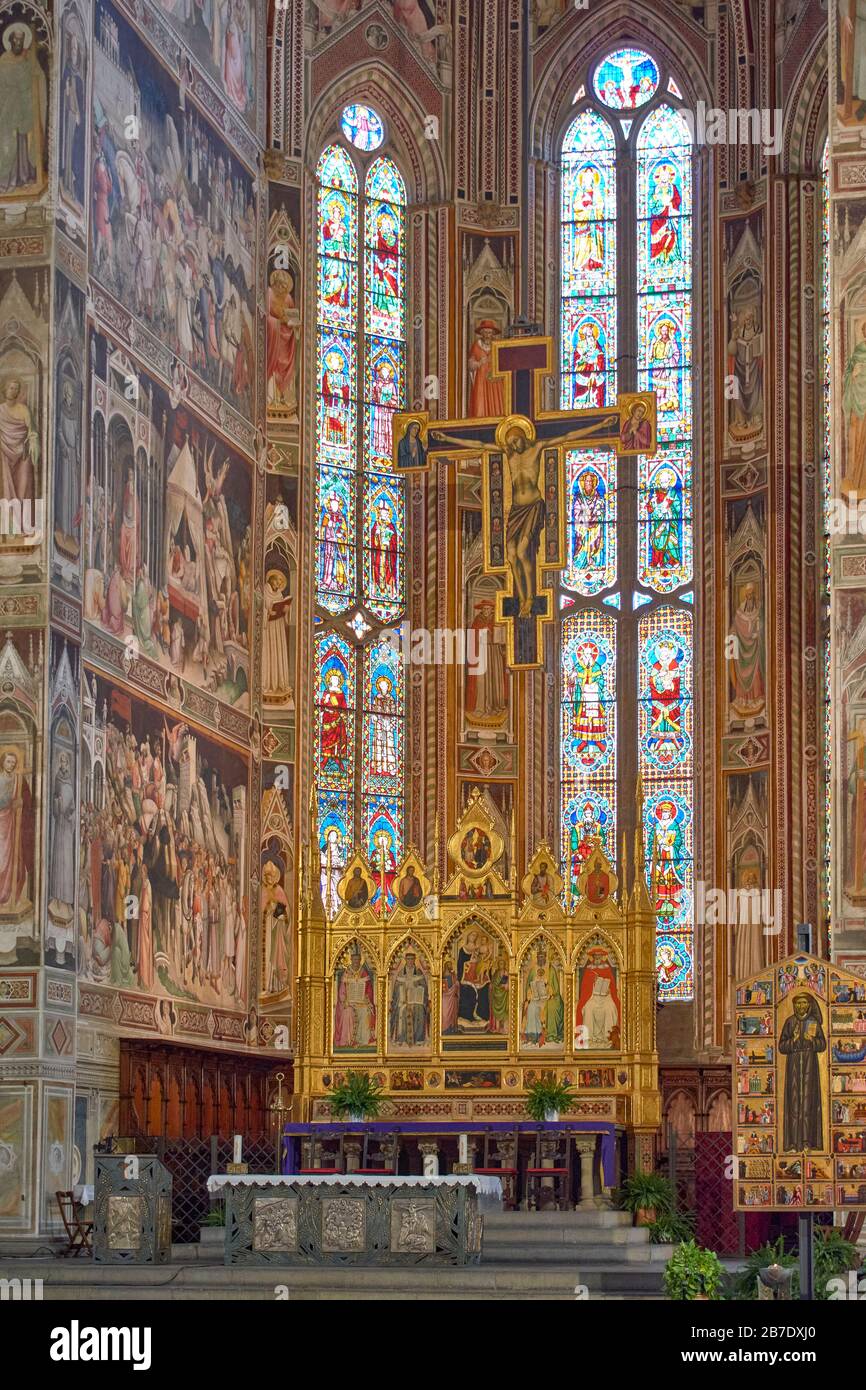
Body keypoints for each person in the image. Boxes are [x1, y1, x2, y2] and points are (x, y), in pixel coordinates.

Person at [779, 993, 826, 1151]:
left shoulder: (813, 1022)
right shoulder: (790, 1022)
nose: (800, 1006)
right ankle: (792, 1143)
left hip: (809, 1065)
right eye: (798, 1003)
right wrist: (793, 1040)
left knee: (808, 1103)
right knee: (793, 1104)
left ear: (809, 1005)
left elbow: (822, 1045)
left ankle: (807, 1142)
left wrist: (811, 1040)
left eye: (804, 1002)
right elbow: (781, 1046)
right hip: (793, 1065)